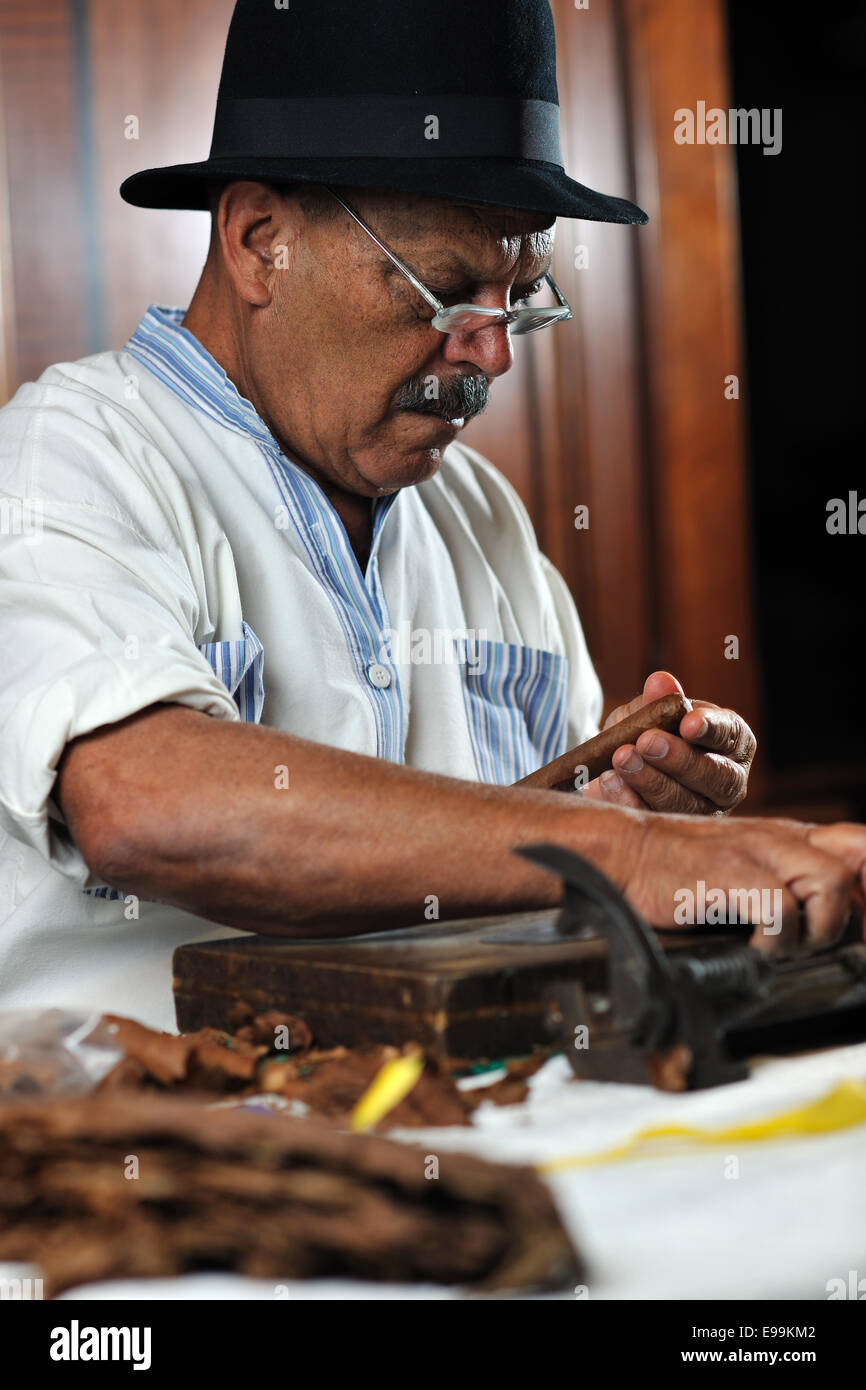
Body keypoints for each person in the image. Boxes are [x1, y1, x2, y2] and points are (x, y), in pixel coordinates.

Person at [0, 0, 862, 1030]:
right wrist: (630, 856)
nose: (492, 354)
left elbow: (533, 857)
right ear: (259, 240)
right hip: (157, 1158)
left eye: (519, 299)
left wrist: (644, 817)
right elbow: (147, 805)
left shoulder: (478, 515)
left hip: (468, 1128)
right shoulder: (68, 458)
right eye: (448, 292)